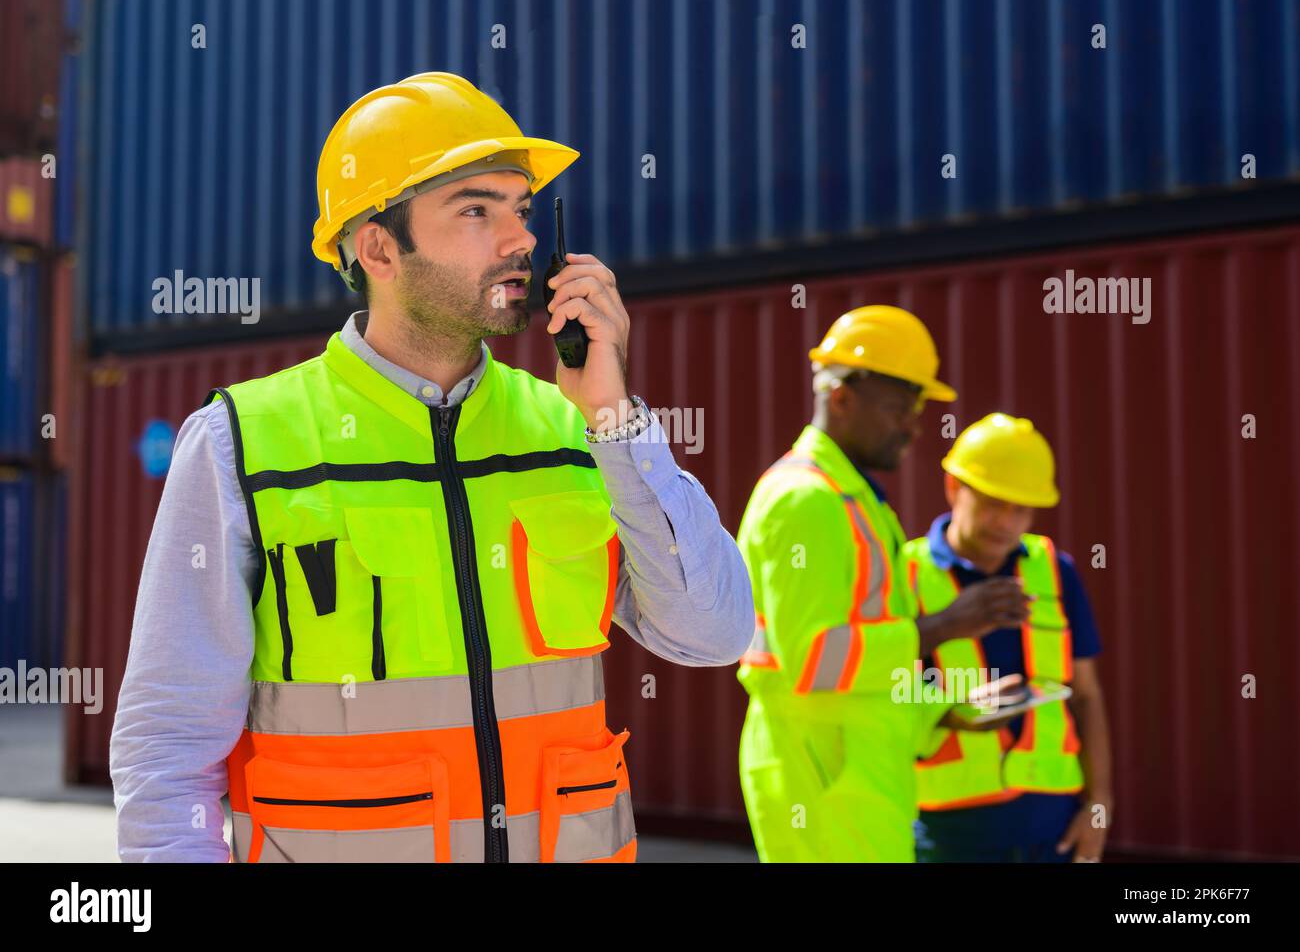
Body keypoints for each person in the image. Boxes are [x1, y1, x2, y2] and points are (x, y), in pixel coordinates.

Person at [109, 72, 753, 863]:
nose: (520, 239)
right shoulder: (243, 441)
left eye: (520, 209)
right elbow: (167, 746)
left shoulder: (574, 427)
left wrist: (614, 418)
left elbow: (715, 633)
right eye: (476, 210)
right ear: (379, 246)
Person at [735, 305, 1023, 861]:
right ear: (841, 398)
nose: (914, 427)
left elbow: (865, 676)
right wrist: (945, 625)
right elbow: (816, 659)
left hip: (854, 777)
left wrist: (944, 710)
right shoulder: (806, 501)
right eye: (899, 409)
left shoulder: (856, 500)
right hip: (822, 783)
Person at [902, 413, 1113, 862]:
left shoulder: (1056, 571)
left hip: (1052, 827)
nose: (1006, 521)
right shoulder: (906, 575)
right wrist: (954, 711)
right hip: (947, 832)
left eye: (1021, 508)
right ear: (954, 489)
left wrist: (1099, 806)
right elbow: (881, 688)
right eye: (993, 502)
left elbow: (1087, 696)